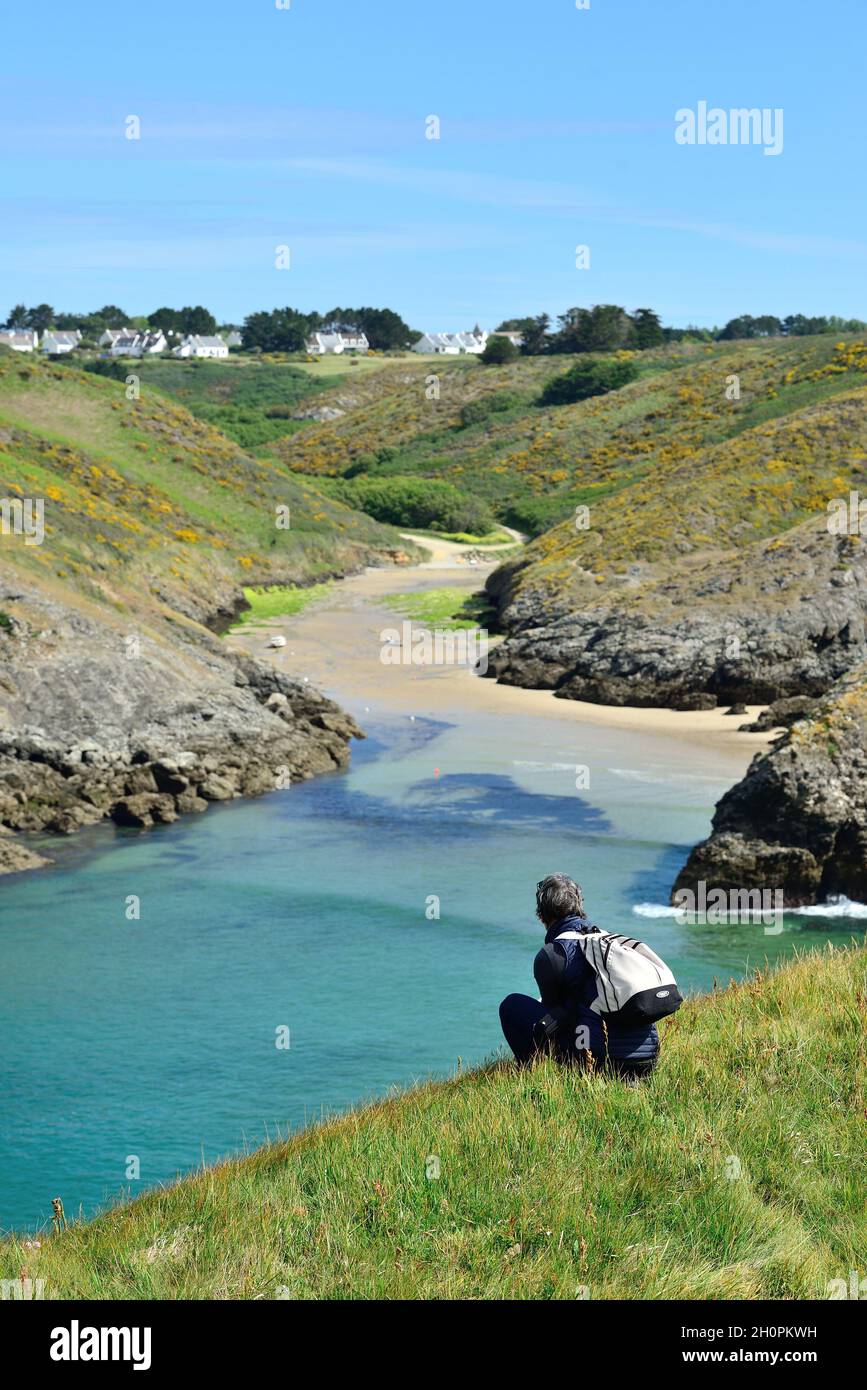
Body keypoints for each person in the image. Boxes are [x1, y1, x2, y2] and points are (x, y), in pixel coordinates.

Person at [499, 873, 659, 1080]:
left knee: (511, 1005)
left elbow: (554, 1018)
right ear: (579, 907)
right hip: (646, 1058)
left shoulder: (551, 955)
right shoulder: (608, 940)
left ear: (542, 915)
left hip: (595, 1061)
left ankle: (526, 1073)